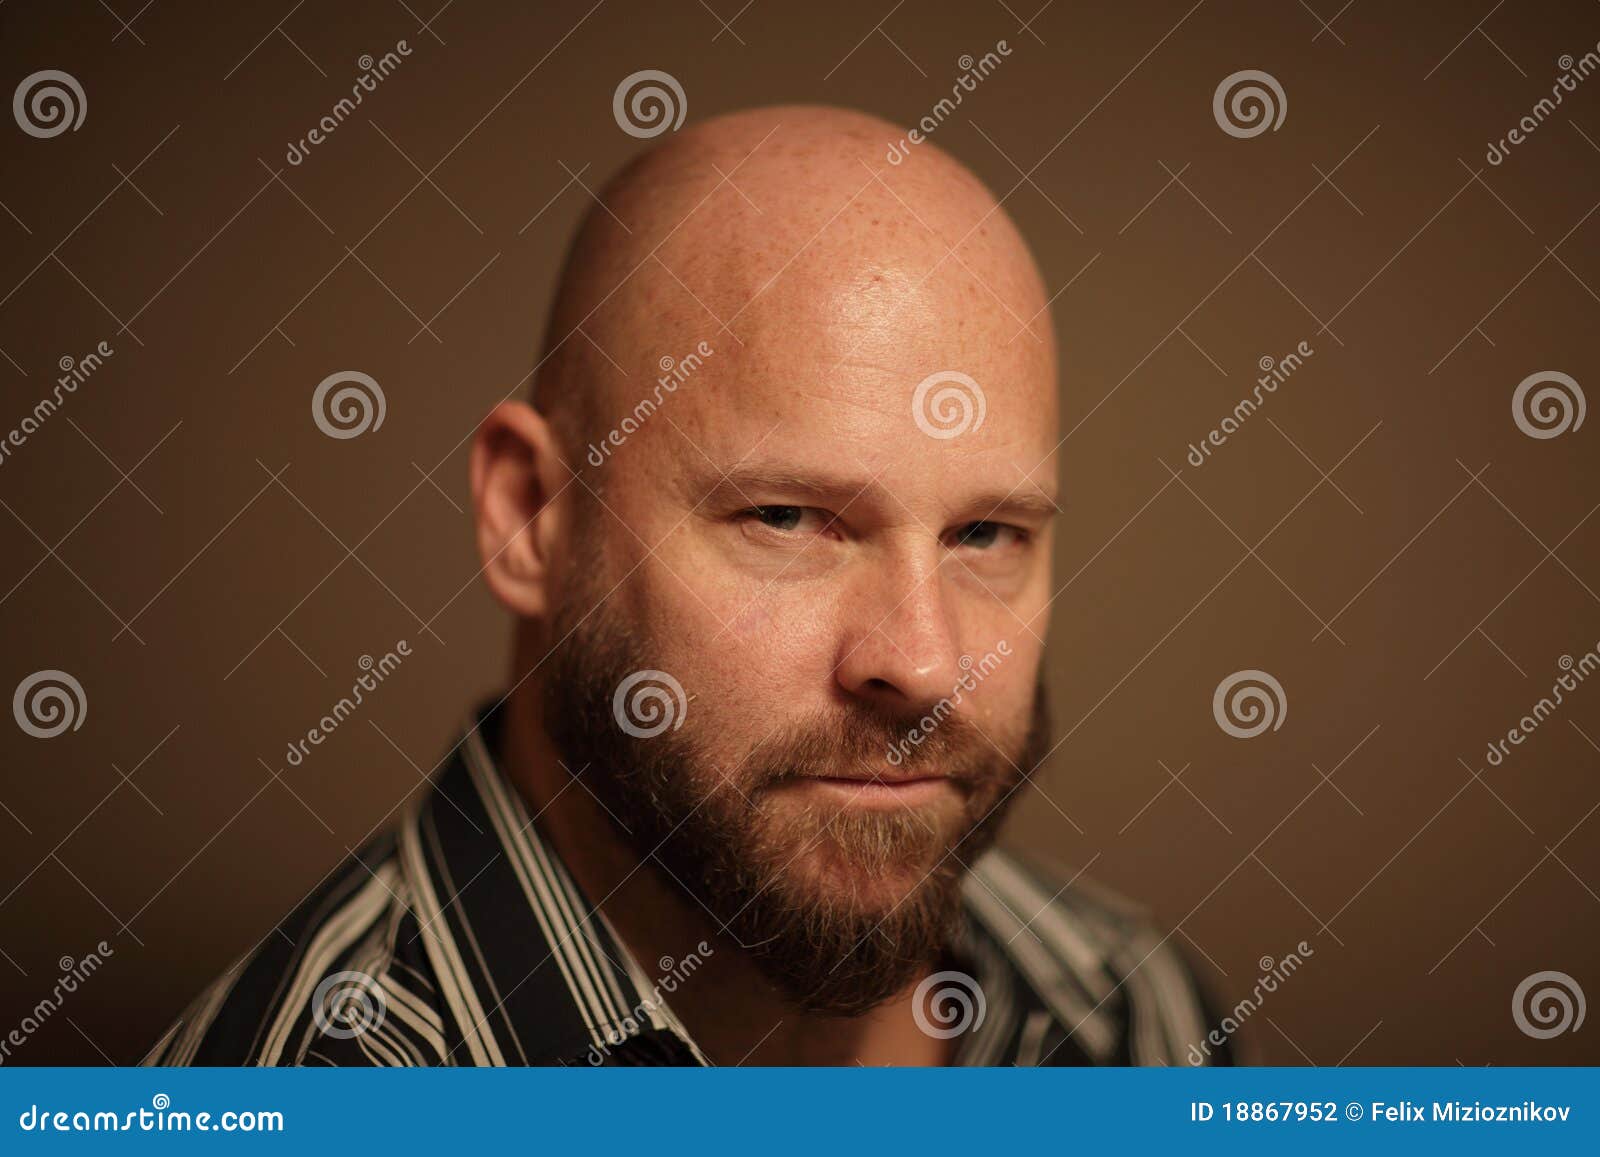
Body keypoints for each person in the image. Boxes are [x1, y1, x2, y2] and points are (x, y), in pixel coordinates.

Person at [146, 105, 1223, 1067]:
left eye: (985, 532)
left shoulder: (1131, 1014)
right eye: (787, 518)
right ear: (531, 515)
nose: (926, 661)